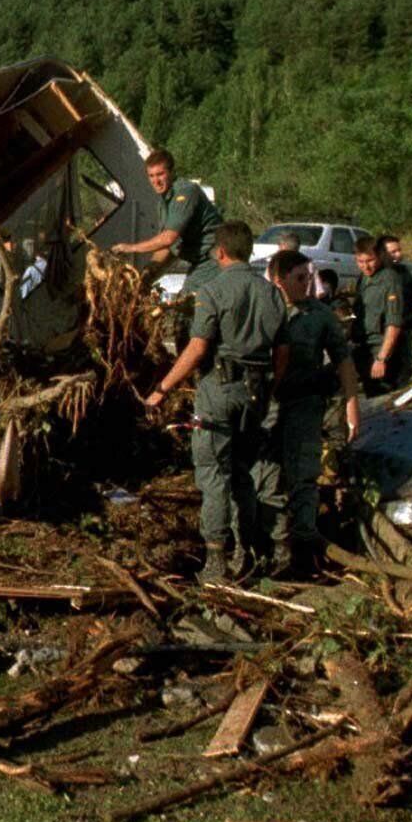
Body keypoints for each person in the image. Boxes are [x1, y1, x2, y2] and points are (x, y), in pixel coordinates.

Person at [145, 221, 286, 583]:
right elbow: (282, 351)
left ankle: (216, 561)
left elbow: (197, 348)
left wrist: (163, 388)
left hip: (218, 394)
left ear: (220, 252)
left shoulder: (212, 290)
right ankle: (247, 552)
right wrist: (271, 387)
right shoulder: (271, 293)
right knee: (243, 473)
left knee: (213, 477)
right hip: (255, 395)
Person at [256, 249, 361, 576]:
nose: (308, 284)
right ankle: (271, 546)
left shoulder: (319, 315)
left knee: (304, 476)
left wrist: (352, 406)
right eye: (300, 278)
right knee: (265, 476)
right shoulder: (262, 310)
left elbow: (343, 360)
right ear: (279, 279)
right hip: (267, 407)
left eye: (309, 277)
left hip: (305, 405)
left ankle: (302, 549)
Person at [114, 149, 223, 293]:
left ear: (171, 173)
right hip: (201, 262)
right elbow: (168, 249)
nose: (156, 181)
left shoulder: (185, 193)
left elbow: (168, 238)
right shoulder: (163, 203)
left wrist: (130, 248)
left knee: (187, 307)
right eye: (151, 176)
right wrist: (147, 276)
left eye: (160, 174)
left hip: (215, 260)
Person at [352, 236, 412, 395]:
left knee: (382, 397)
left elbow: (394, 322)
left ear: (379, 256)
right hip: (364, 347)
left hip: (381, 349)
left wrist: (381, 358)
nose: (365, 266)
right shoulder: (363, 279)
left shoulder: (390, 279)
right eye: (360, 262)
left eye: (370, 261)